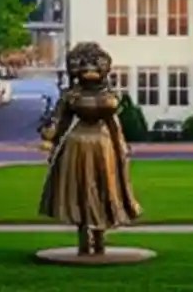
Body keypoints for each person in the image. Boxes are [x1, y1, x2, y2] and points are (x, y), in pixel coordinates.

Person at [38, 42, 142, 256]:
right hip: (78, 145)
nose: (89, 71)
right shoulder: (71, 96)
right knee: (80, 190)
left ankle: (100, 239)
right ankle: (84, 240)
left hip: (102, 147)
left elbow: (114, 124)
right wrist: (52, 139)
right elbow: (61, 122)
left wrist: (121, 147)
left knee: (103, 188)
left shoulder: (107, 95)